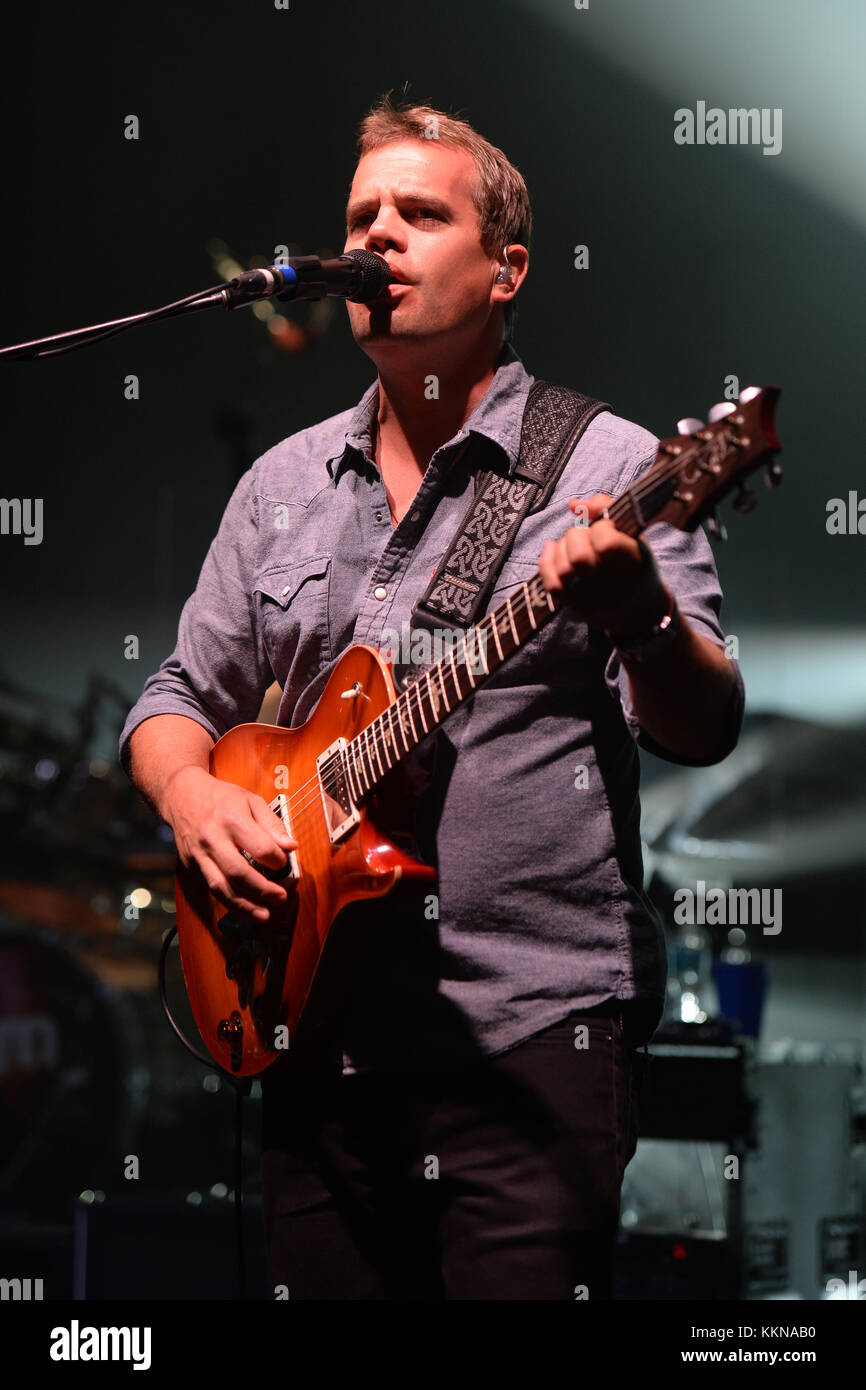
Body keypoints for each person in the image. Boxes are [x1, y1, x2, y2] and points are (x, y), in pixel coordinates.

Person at [119, 95, 744, 1300]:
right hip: (317, 1035)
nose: (380, 238)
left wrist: (636, 616)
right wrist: (191, 794)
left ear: (507, 268)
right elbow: (179, 691)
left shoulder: (611, 469)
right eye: (362, 216)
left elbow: (699, 724)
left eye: (418, 212)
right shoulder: (282, 485)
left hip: (528, 1030)